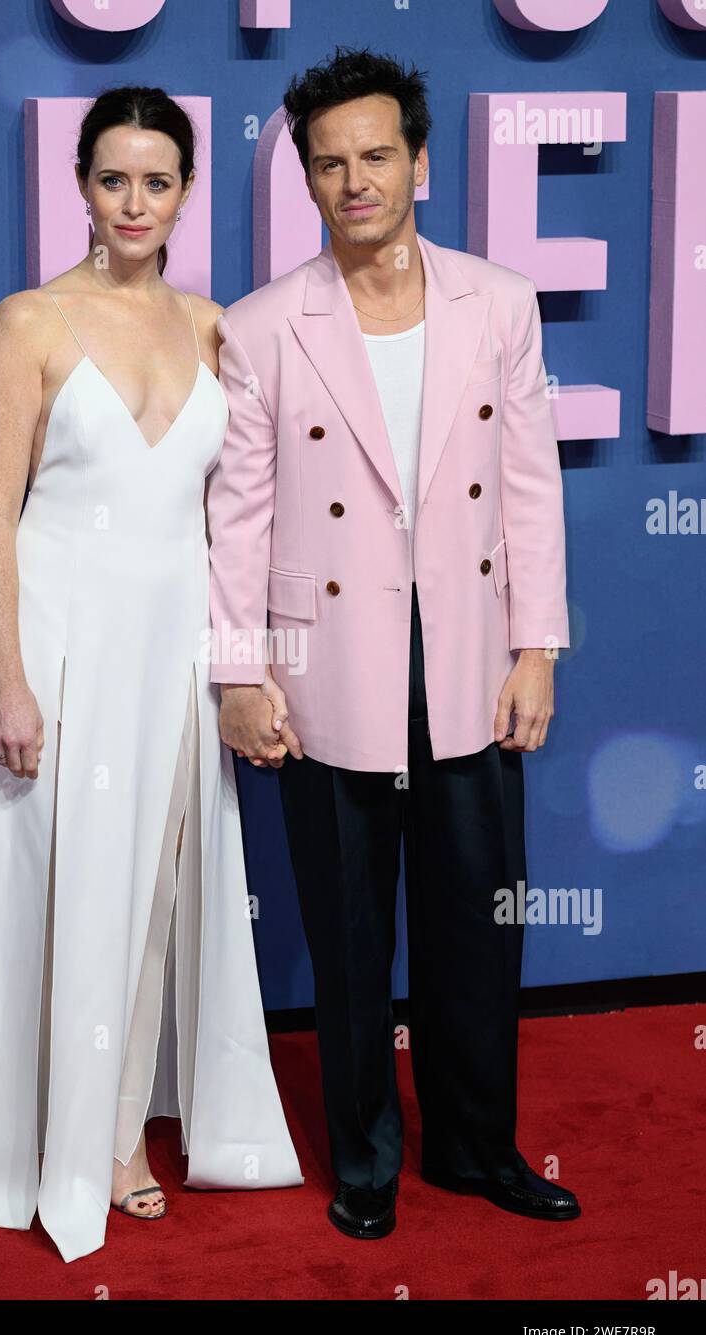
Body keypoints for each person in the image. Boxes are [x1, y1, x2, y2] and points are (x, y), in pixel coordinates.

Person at [0, 85, 302, 1264]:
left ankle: (118, 1128)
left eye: (155, 180)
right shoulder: (28, 322)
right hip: (60, 646)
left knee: (154, 888)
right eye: (112, 179)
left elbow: (241, 526)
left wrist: (243, 668)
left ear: (184, 191)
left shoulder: (216, 325)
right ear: (80, 185)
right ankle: (17, 1125)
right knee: (44, 886)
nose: (133, 201)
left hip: (172, 650)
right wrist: (8, 681)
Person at [207, 46, 581, 1238]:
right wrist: (236, 669)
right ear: (307, 183)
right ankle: (364, 1157)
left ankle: (477, 1147)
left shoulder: (498, 302)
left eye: (375, 155)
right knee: (349, 937)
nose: (354, 180)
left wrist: (537, 646)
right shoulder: (264, 326)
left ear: (418, 163)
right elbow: (237, 513)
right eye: (329, 163)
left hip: (469, 656)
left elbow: (530, 485)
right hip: (328, 671)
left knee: (477, 926)